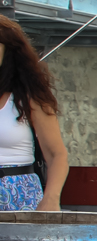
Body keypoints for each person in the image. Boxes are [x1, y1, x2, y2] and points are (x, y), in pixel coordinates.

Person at [0, 16, 68, 212]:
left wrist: (51, 199)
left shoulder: (29, 98)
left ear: (8, 51)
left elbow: (57, 155)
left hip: (19, 197)